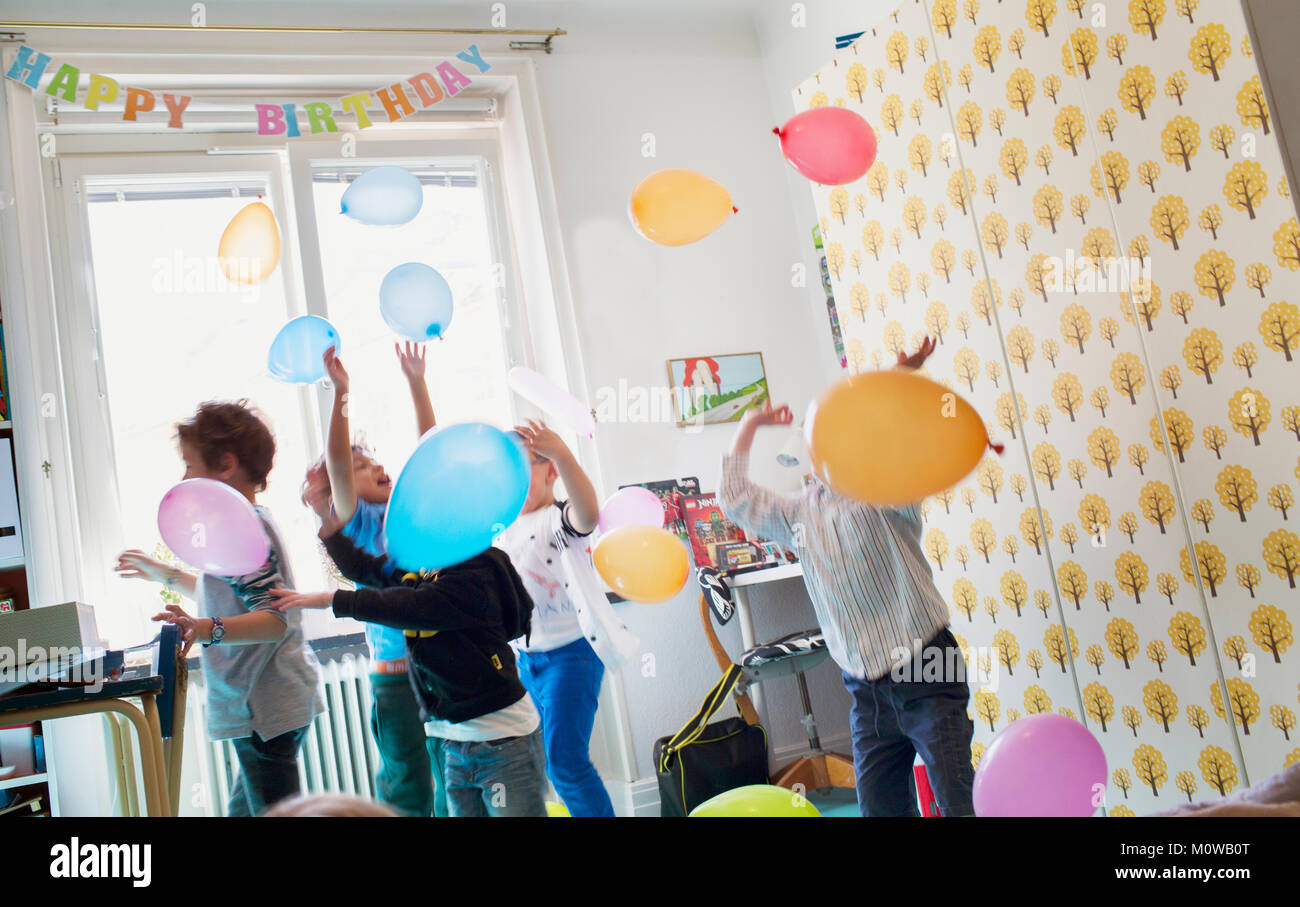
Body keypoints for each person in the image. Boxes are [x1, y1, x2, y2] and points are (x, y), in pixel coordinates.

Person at [718, 338, 977, 817]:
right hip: (865, 692)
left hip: (926, 669)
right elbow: (733, 496)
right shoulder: (797, 514)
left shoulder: (883, 491)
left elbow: (898, 440)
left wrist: (899, 378)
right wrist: (749, 425)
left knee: (957, 799)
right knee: (881, 809)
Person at [272, 503, 550, 818]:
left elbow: (411, 606)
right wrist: (329, 526)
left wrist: (332, 600)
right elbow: (365, 570)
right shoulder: (425, 569)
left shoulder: (475, 574)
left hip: (503, 743)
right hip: (455, 743)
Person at [116, 400, 324, 817]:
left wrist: (205, 627)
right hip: (263, 706)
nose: (185, 477)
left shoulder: (247, 528)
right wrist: (164, 575)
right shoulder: (239, 527)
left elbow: (271, 620)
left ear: (225, 464)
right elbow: (226, 592)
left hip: (264, 708)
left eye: (190, 465)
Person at [300, 341, 443, 818]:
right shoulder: (355, 520)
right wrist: (341, 392)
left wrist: (417, 383)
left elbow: (431, 454)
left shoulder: (410, 509)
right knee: (409, 784)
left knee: (451, 774)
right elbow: (338, 461)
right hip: (396, 677)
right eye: (362, 467)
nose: (377, 468)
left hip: (439, 664)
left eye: (375, 461)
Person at [494, 419, 639, 817]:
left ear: (551, 471)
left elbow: (588, 514)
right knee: (536, 763)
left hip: (572, 656)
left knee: (566, 764)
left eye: (523, 470)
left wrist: (562, 451)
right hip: (526, 661)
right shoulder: (502, 531)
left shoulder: (557, 522)